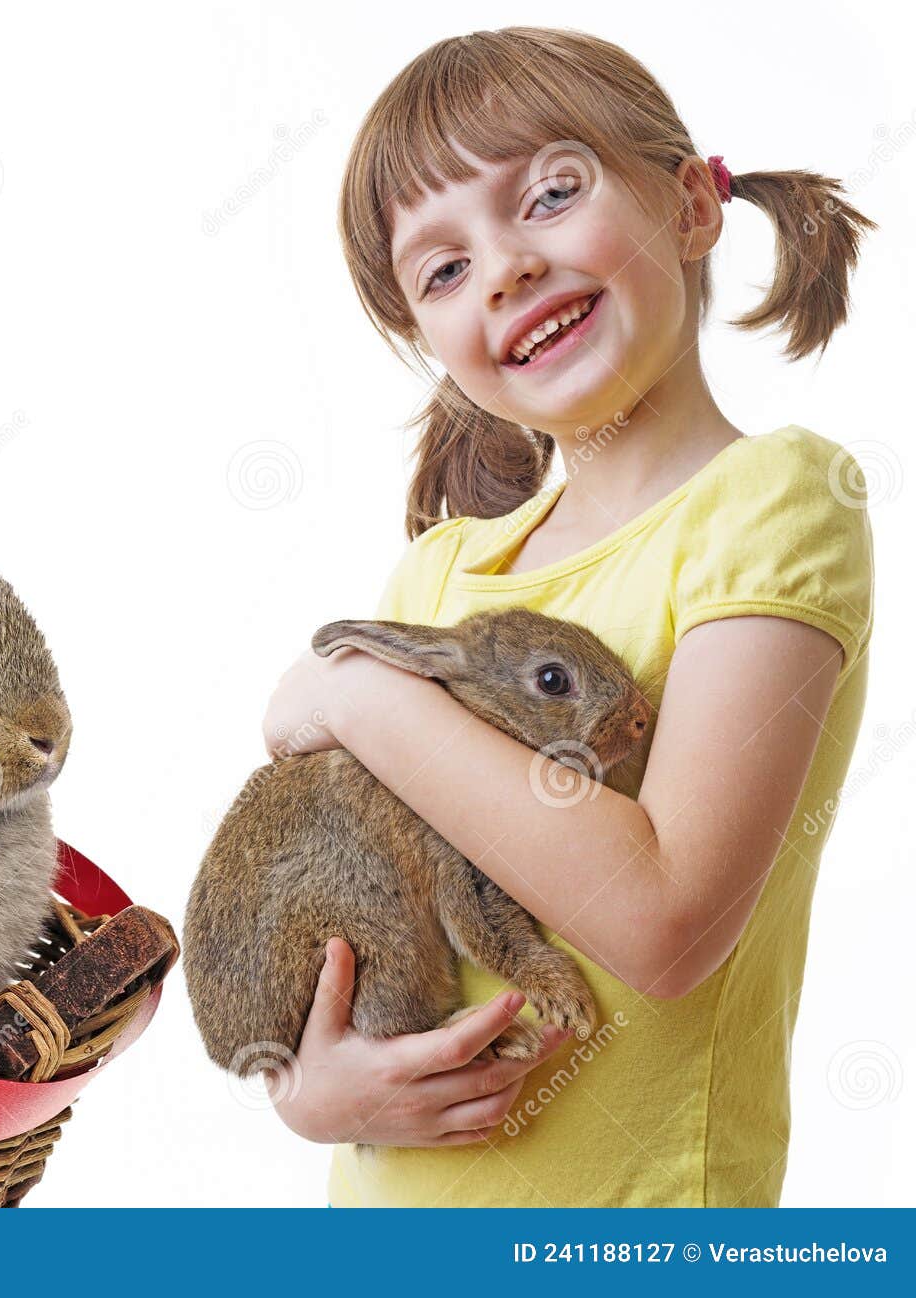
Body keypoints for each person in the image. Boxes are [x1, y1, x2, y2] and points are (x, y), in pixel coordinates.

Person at [259, 25, 877, 1207]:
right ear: (435, 346)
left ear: (694, 206)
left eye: (548, 193)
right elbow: (337, 900)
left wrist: (351, 690)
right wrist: (310, 1087)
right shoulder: (435, 579)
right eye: (442, 271)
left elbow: (665, 923)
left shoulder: (770, 500)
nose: (502, 269)